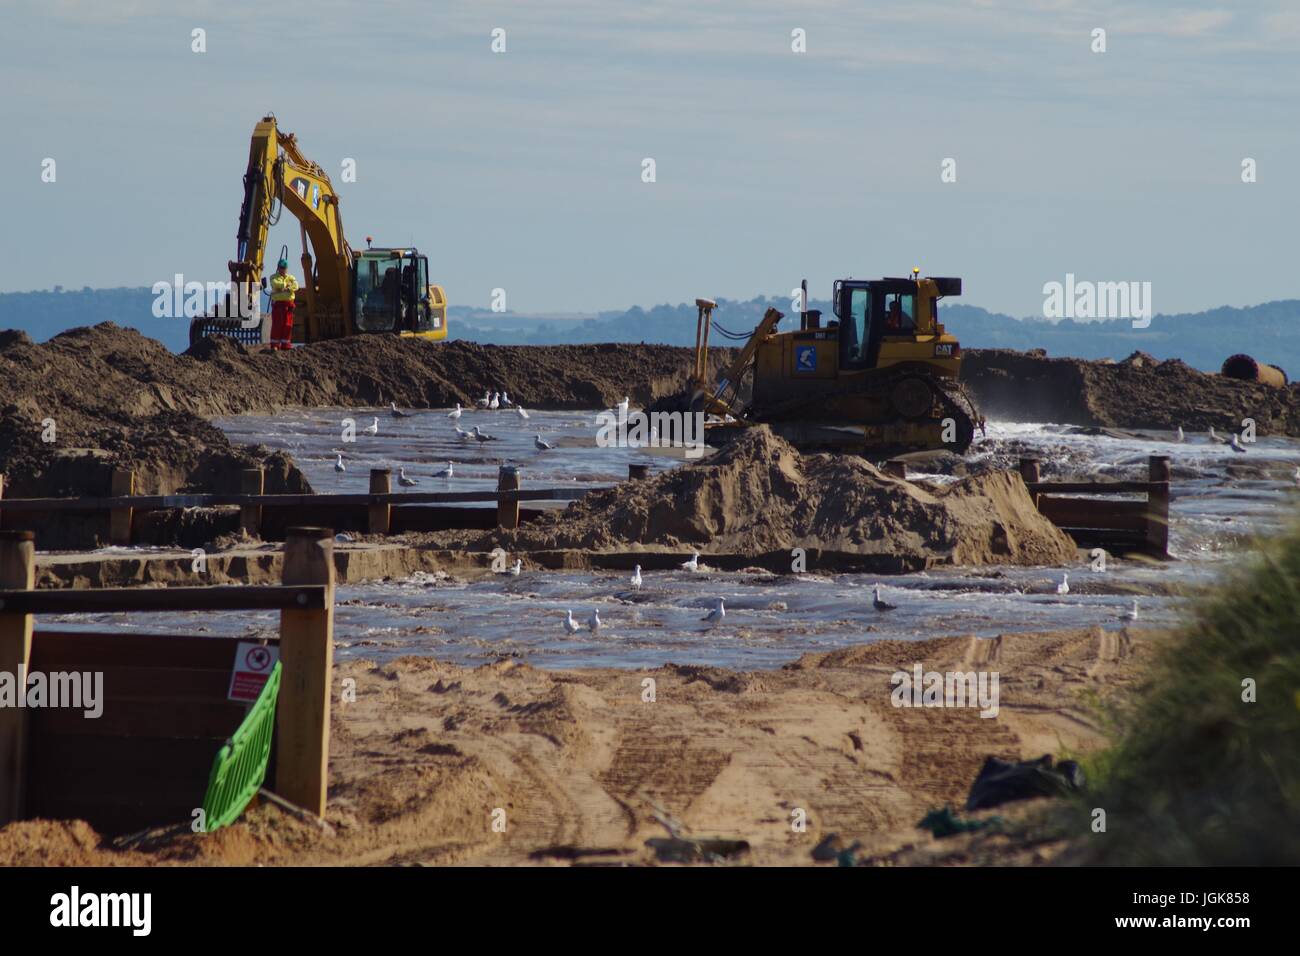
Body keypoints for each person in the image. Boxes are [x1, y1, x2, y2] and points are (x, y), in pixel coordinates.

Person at [268, 258, 299, 350]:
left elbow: (296, 286)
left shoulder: (291, 277)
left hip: (288, 305)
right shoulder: (273, 277)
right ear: (278, 268)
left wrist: (286, 287)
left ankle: (286, 345)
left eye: (284, 268)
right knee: (277, 325)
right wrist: (287, 286)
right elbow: (276, 284)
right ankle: (275, 345)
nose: (282, 269)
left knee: (287, 325)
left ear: (286, 268)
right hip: (278, 305)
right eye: (281, 267)